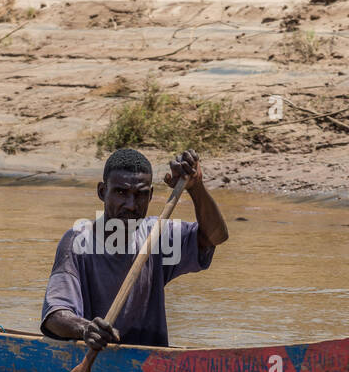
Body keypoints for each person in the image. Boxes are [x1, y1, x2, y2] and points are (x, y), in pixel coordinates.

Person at [41, 147, 228, 349]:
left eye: (140, 194)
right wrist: (86, 329)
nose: (131, 205)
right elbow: (55, 316)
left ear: (150, 196)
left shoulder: (157, 235)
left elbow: (215, 236)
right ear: (102, 192)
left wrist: (196, 187)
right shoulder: (78, 242)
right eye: (121, 192)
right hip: (98, 355)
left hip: (151, 361)